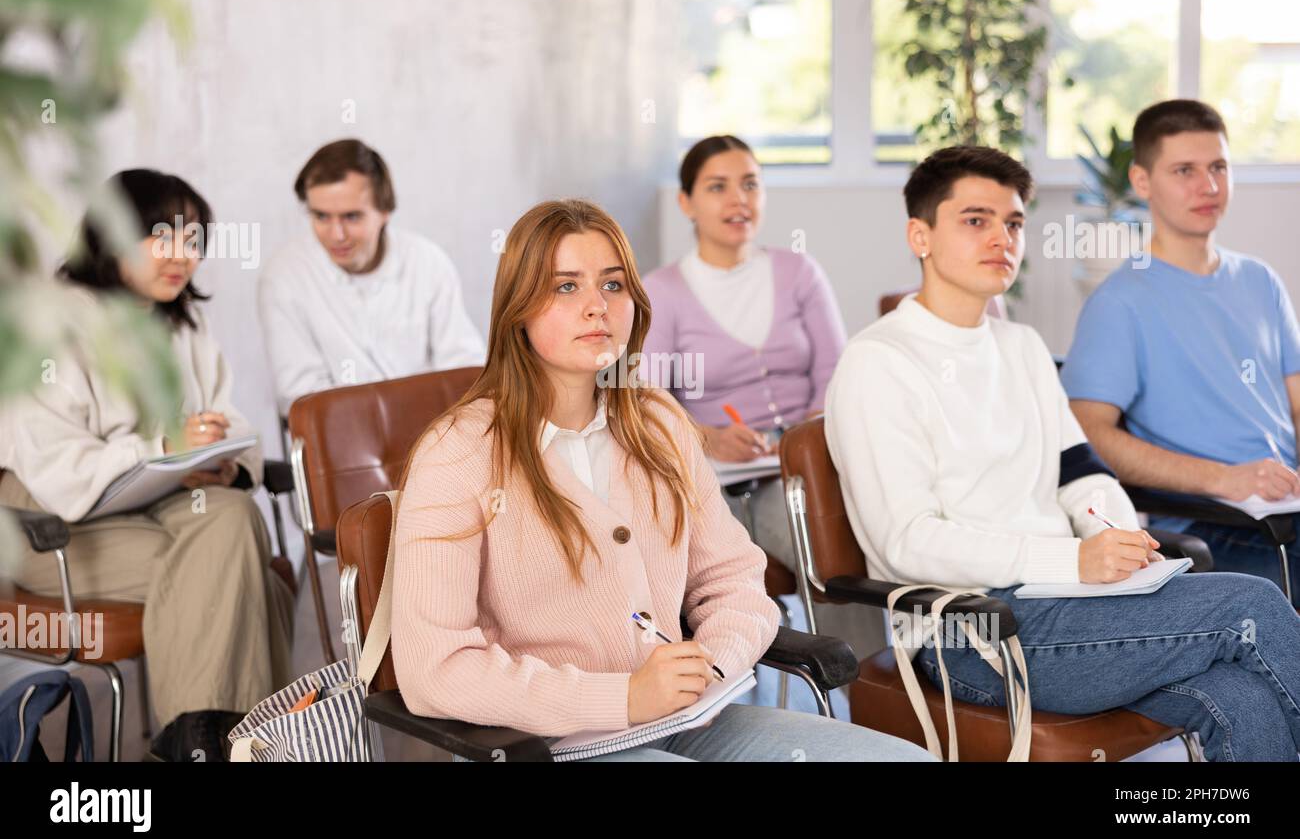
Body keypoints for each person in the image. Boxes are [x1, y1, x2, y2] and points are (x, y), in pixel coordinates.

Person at [389, 198, 931, 762]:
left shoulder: (657, 421)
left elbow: (733, 579)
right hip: (549, 743)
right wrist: (623, 697)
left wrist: (707, 667)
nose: (597, 307)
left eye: (613, 285)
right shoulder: (458, 452)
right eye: (566, 287)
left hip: (689, 721)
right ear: (517, 309)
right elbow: (435, 670)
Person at [825, 146, 1300, 761]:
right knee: (1251, 604)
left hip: (1071, 606)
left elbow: (1080, 473)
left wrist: (1120, 540)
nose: (1002, 237)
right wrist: (1071, 559)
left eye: (1014, 223)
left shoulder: (1020, 346)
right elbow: (907, 542)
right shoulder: (878, 364)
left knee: (1242, 698)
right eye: (976, 220)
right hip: (975, 632)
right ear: (920, 234)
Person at [0, 169, 294, 761]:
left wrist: (221, 466)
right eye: (163, 236)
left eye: (193, 241)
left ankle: (196, 743)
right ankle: (243, 744)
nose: (183, 255)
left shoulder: (185, 322)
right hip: (52, 531)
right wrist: (160, 449)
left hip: (163, 510)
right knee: (235, 568)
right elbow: (54, 463)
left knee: (228, 518)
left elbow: (229, 421)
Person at [1062, 99, 1300, 603]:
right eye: (1185, 170)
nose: (1208, 186)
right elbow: (1088, 434)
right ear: (1143, 181)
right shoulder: (1120, 301)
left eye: (1218, 167)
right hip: (1215, 524)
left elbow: (1296, 402)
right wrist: (1227, 479)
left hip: (1288, 506)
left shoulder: (1260, 281)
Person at [641, 136, 868, 655]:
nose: (737, 199)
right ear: (686, 203)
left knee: (858, 543)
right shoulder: (662, 290)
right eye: (717, 187)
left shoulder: (799, 273)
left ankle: (879, 689)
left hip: (808, 463)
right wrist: (709, 438)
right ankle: (833, 679)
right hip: (723, 480)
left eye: (749, 184)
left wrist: (802, 434)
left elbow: (837, 372)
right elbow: (646, 397)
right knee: (818, 541)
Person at [258, 138, 485, 416]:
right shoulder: (284, 276)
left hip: (435, 434)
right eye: (321, 216)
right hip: (341, 445)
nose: (336, 235)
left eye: (351, 217)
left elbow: (464, 370)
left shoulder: (428, 261)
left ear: (385, 211)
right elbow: (302, 398)